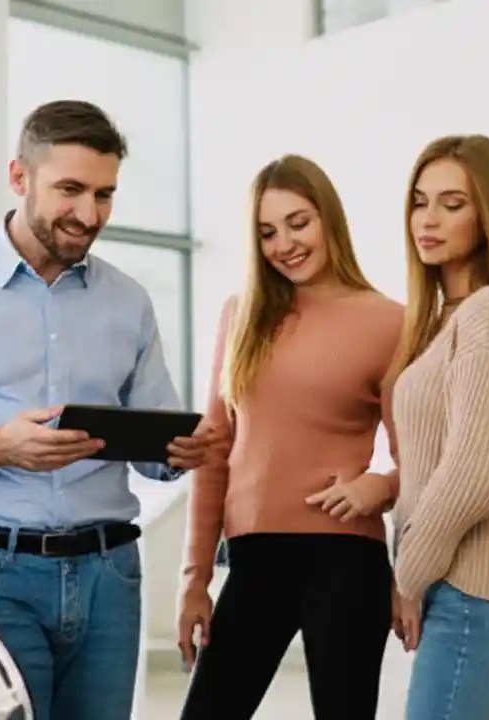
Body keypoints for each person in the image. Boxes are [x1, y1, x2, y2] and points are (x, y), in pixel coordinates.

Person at [0, 99, 220, 720]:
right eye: (70, 190)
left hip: (111, 575)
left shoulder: (128, 301)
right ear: (19, 177)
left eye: (105, 195)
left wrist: (180, 453)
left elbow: (156, 452)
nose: (89, 214)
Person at [176, 154, 404, 720]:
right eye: (267, 232)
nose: (284, 244)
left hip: (346, 558)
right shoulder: (243, 314)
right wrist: (195, 580)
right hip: (254, 560)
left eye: (298, 223)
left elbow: (422, 458)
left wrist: (380, 487)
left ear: (329, 218)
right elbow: (214, 452)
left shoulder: (392, 321)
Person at [385, 134, 489, 720]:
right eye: (420, 201)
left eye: (452, 204)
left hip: (471, 595)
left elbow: (473, 475)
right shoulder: (442, 321)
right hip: (466, 595)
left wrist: (408, 576)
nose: (427, 220)